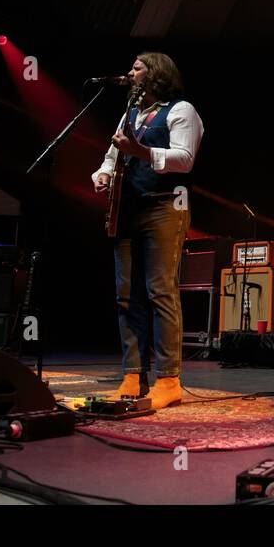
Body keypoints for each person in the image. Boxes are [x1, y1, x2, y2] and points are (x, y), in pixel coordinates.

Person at [92, 52, 203, 410]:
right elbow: (112, 155)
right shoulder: (131, 114)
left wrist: (139, 150)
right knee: (126, 295)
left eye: (137, 67)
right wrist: (104, 173)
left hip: (164, 206)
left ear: (155, 73)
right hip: (127, 209)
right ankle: (132, 374)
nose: (130, 72)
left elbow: (184, 159)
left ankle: (169, 379)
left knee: (160, 292)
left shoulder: (181, 110)